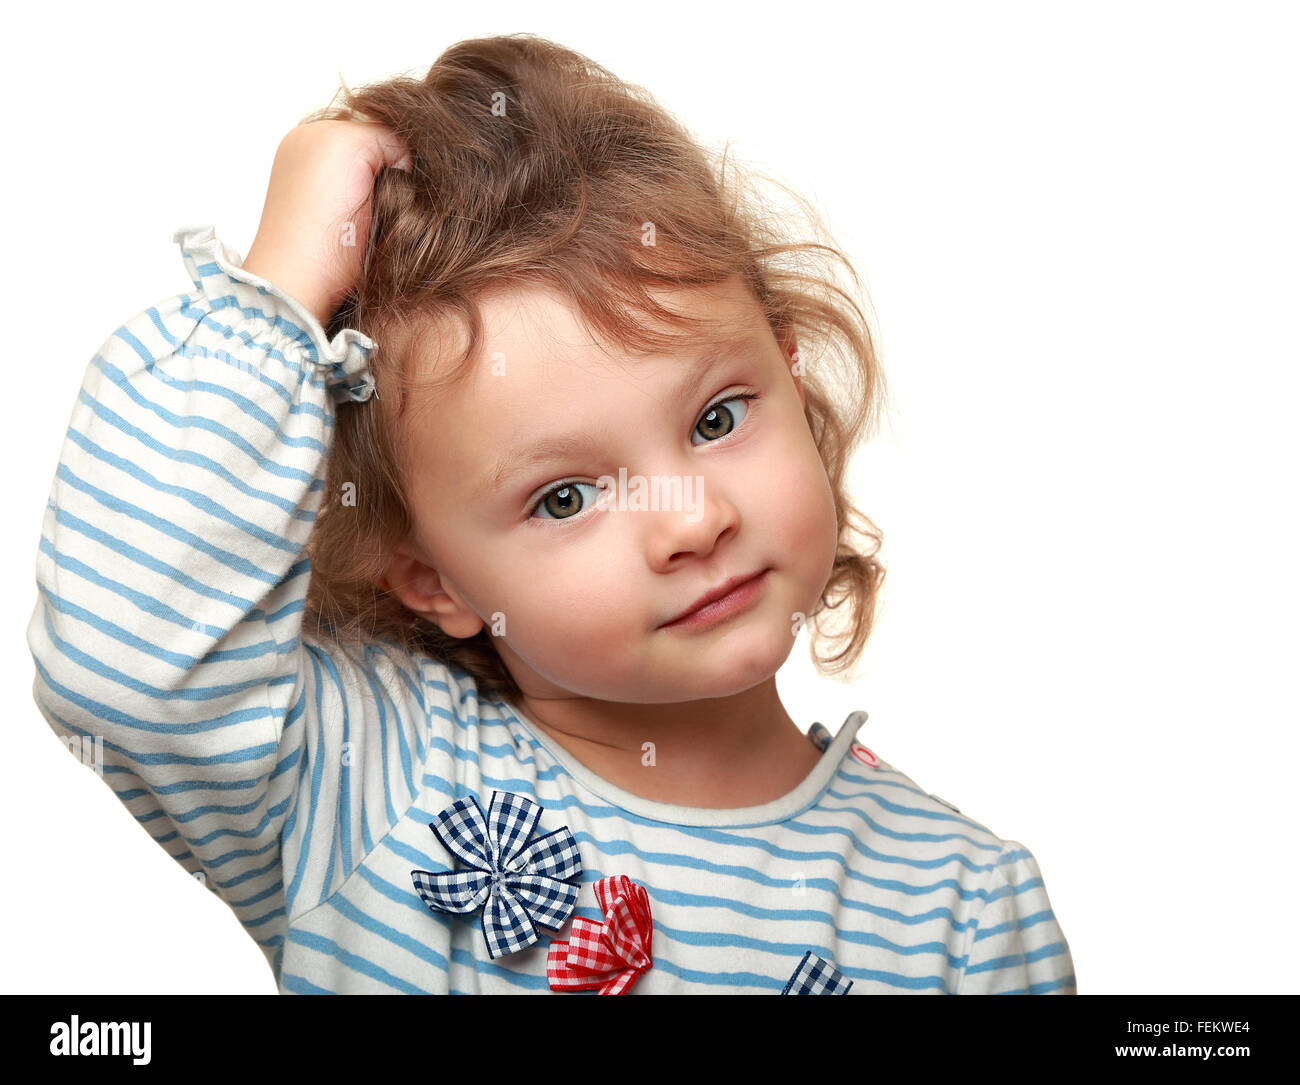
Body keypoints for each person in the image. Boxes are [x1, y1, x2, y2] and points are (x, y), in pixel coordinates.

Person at [26, 33, 1075, 994]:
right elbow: (123, 663)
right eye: (564, 496)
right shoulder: (367, 780)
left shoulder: (965, 911)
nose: (692, 520)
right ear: (430, 578)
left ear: (794, 382)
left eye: (716, 417)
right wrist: (279, 288)